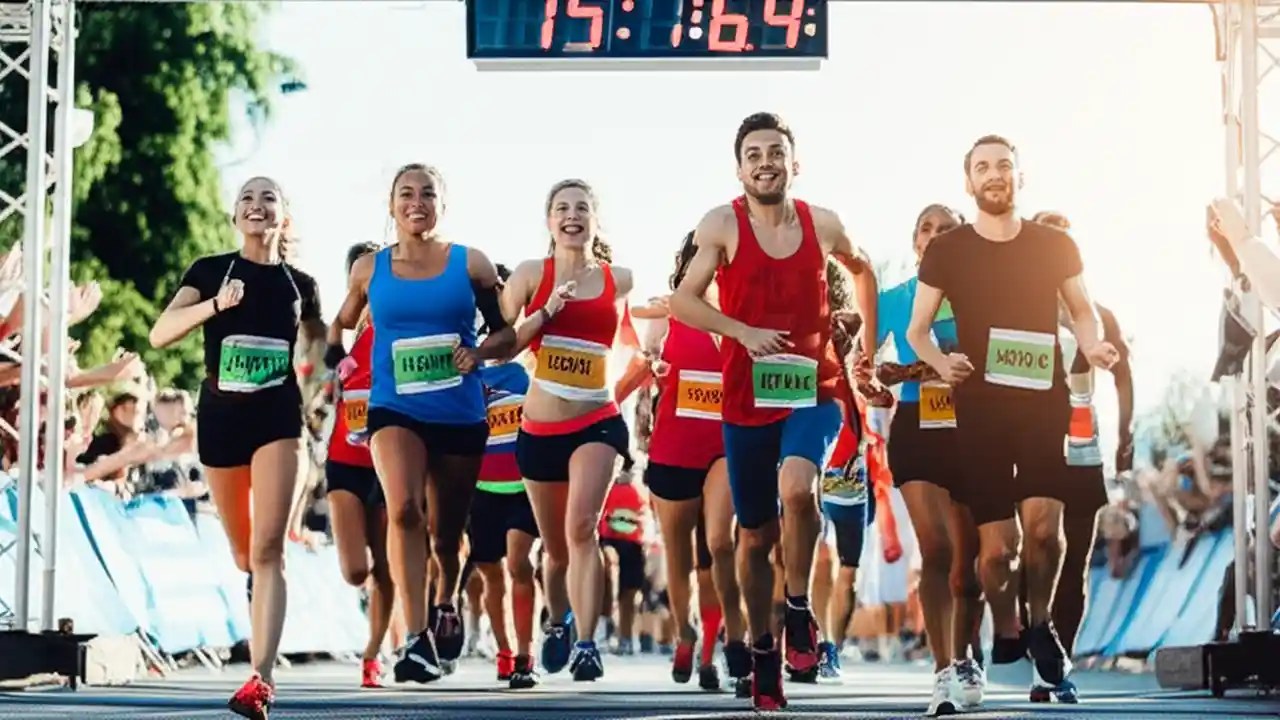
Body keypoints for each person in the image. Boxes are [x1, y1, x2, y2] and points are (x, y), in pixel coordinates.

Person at [670, 112, 878, 711]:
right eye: (754, 154)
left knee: (798, 489)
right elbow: (684, 300)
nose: (766, 162)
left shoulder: (825, 223)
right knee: (754, 537)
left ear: (795, 162)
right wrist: (741, 331)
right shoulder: (721, 224)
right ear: (740, 168)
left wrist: (862, 340)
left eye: (776, 152)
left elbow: (862, 270)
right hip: (746, 398)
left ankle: (798, 607)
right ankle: (763, 650)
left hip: (814, 387)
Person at [906, 135, 1118, 707]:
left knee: (1046, 529)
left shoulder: (1055, 244)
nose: (994, 175)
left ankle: (1042, 624)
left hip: (1042, 401)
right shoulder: (948, 250)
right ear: (969, 183)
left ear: (1021, 176)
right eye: (983, 168)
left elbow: (1081, 308)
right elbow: (918, 330)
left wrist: (1093, 344)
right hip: (979, 411)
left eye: (1004, 165)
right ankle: (1008, 624)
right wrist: (939, 361)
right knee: (999, 551)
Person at [330, 164, 515, 684]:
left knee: (446, 535)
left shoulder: (471, 264)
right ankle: (415, 640)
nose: (417, 202)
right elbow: (343, 321)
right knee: (404, 509)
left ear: (442, 204)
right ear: (391, 206)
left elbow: (506, 335)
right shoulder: (369, 270)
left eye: (427, 194)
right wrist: (335, 359)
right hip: (394, 408)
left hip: (459, 412)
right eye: (406, 194)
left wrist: (477, 354)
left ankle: (446, 598)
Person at [149, 176, 322, 720]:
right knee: (246, 554)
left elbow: (317, 345)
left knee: (270, 551)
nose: (257, 205)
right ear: (234, 215)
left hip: (279, 419)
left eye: (268, 197)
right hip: (221, 422)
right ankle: (255, 597)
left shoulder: (301, 285)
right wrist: (215, 307)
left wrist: (318, 383)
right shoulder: (208, 272)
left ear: (283, 217)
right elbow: (160, 333)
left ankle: (260, 680)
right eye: (247, 197)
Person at [500, 178, 636, 681]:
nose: (572, 215)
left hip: (596, 423)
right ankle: (557, 621)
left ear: (595, 220)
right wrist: (541, 312)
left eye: (582, 207)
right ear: (549, 220)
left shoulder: (618, 279)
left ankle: (586, 643)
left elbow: (632, 335)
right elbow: (503, 338)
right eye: (562, 208)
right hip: (539, 430)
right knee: (554, 551)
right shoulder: (531, 274)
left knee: (583, 529)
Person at [876, 204, 985, 714]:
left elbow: (986, 366)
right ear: (915, 241)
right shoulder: (893, 300)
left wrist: (910, 371)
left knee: (969, 566)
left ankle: (965, 656)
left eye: (948, 229)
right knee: (935, 549)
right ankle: (942, 672)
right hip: (917, 430)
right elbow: (872, 368)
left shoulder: (985, 298)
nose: (937, 236)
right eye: (927, 228)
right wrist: (872, 382)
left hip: (973, 435)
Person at [636, 234, 747, 691]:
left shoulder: (740, 311)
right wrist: (652, 367)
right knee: (679, 557)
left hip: (724, 442)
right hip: (673, 444)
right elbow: (646, 364)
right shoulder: (665, 311)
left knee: (719, 546)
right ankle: (686, 631)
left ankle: (719, 650)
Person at [1029, 210, 1134, 668]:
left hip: (1081, 445)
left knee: (1074, 562)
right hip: (1024, 446)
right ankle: (1032, 630)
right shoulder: (1016, 310)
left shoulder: (1099, 315)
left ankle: (1058, 663)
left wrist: (1125, 435)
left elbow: (1124, 376)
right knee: (1030, 551)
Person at [323, 241, 394, 688]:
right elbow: (325, 343)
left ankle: (373, 654)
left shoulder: (399, 324)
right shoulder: (344, 331)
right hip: (345, 459)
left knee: (385, 567)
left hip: (389, 460)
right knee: (355, 571)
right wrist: (334, 363)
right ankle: (374, 616)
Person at [468, 266, 541, 689]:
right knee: (489, 572)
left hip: (524, 483)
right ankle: (504, 647)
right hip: (480, 488)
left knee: (519, 562)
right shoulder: (469, 365)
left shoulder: (530, 364)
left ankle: (525, 655)